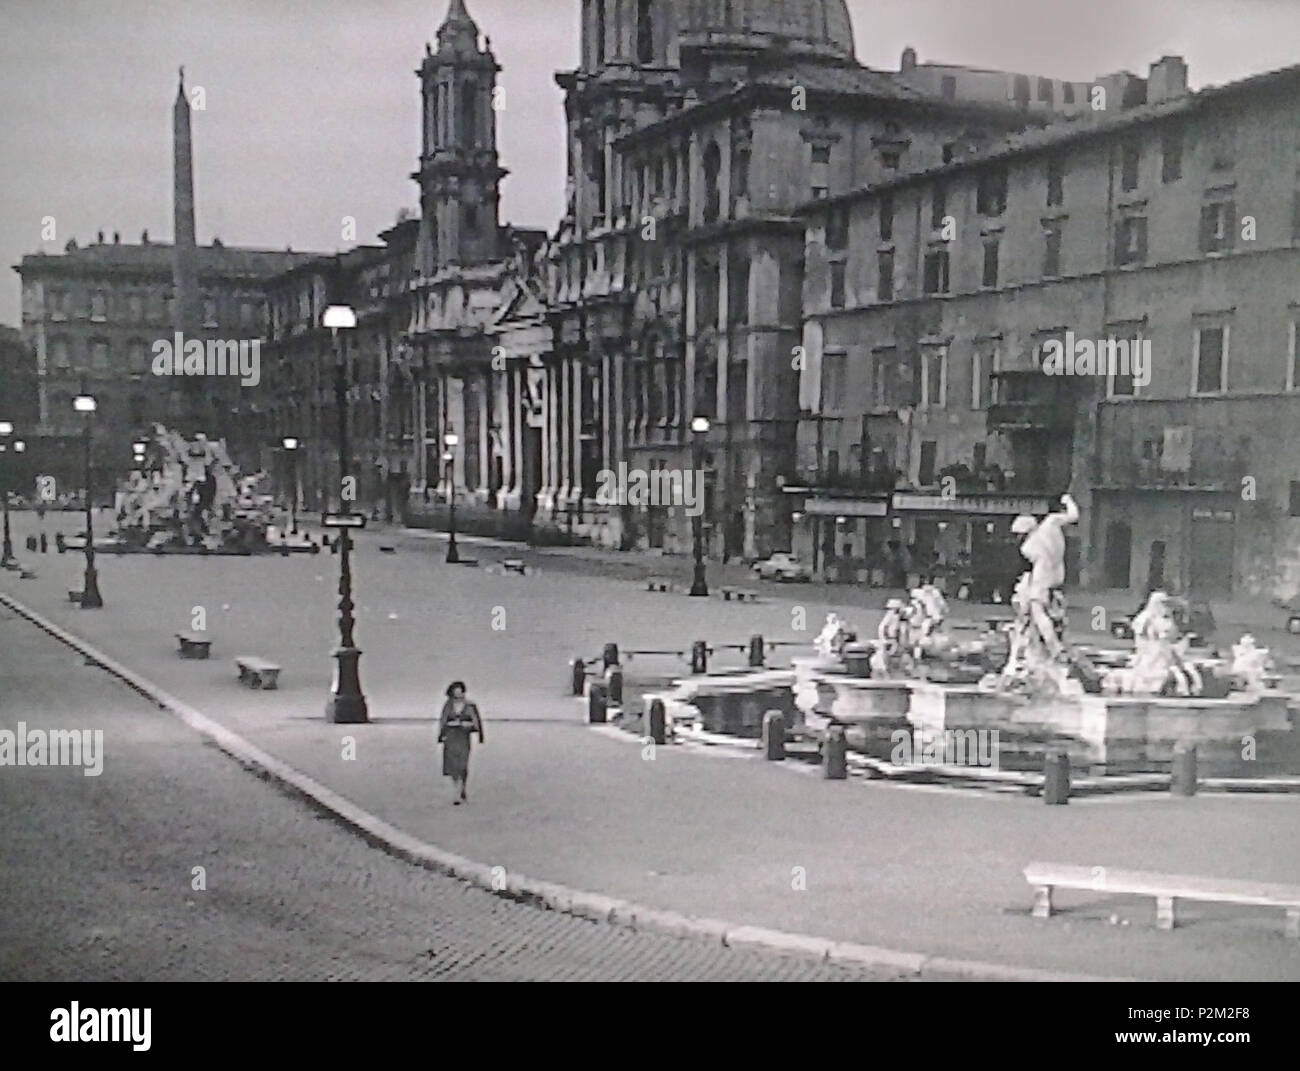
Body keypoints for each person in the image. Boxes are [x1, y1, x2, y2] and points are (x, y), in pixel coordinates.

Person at [437, 681, 484, 805]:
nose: (458, 693)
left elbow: (476, 722)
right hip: (451, 737)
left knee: (463, 765)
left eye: (460, 691)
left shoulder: (470, 705)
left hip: (463, 737)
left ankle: (462, 788)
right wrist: (442, 735)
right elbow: (443, 721)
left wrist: (469, 726)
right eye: (456, 691)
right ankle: (456, 793)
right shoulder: (448, 705)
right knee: (453, 766)